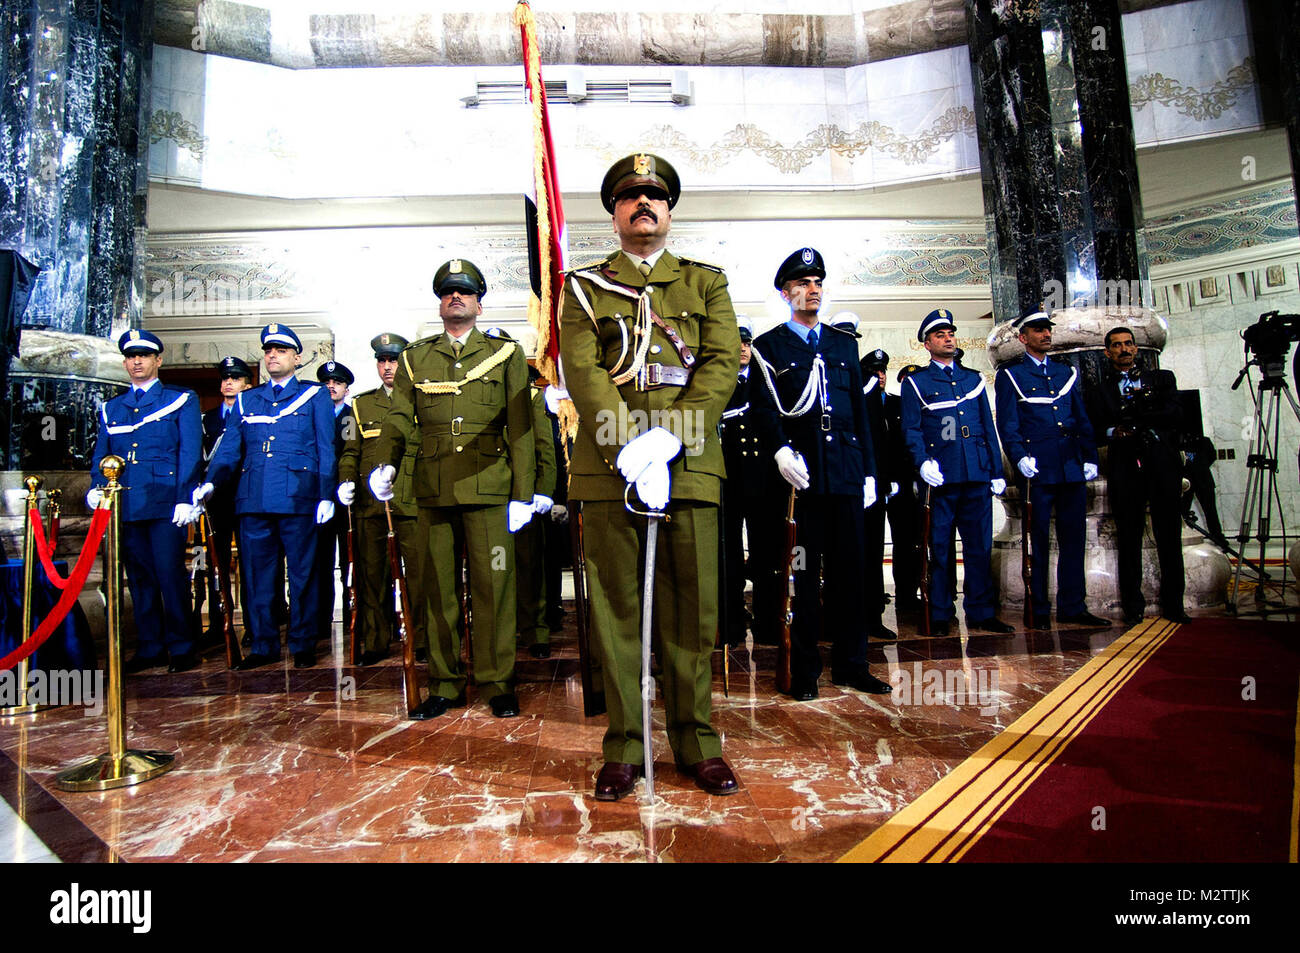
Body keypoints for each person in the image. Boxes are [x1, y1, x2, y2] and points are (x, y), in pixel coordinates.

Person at [559, 152, 740, 800]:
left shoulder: (706, 283)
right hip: (611, 470)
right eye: (631, 196)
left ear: (668, 211)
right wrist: (630, 450)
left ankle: (696, 742)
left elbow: (721, 365)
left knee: (694, 612)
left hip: (688, 467)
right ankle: (625, 746)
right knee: (615, 610)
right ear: (614, 213)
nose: (644, 205)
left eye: (655, 196)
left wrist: (673, 437)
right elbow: (582, 372)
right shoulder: (580, 289)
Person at [370, 260, 536, 719]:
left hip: (488, 492)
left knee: (494, 588)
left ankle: (497, 682)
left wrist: (524, 494)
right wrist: (384, 462)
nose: (455, 298)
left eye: (464, 292)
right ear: (439, 303)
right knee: (438, 591)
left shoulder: (505, 354)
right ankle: (444, 683)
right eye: (447, 292)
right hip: (434, 492)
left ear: (480, 303)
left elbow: (521, 427)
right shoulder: (414, 358)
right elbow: (400, 417)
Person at [751, 248, 890, 700]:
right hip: (802, 480)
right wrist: (779, 451)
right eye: (803, 284)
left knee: (854, 575)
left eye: (818, 283)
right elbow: (763, 411)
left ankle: (853, 665)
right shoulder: (768, 348)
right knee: (803, 576)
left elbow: (860, 414)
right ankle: (805, 668)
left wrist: (869, 471)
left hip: (846, 474)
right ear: (785, 292)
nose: (813, 290)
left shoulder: (842, 344)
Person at [195, 323, 337, 670]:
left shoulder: (314, 395)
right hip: (253, 498)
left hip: (299, 497)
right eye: (268, 351)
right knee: (258, 576)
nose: (273, 355)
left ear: (296, 357)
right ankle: (263, 644)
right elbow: (229, 449)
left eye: (281, 350)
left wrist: (325, 495)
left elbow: (325, 448)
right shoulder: (248, 398)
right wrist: (211, 482)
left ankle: (302, 642)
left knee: (302, 574)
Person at [88, 329, 203, 673]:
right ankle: (151, 646)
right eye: (130, 357)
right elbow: (102, 456)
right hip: (126, 504)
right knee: (139, 579)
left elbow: (189, 451)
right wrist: (97, 486)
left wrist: (186, 496)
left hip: (166, 503)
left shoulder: (181, 399)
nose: (136, 362)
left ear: (158, 360)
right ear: (125, 362)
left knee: (170, 575)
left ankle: (183, 646)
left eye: (143, 356)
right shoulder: (112, 408)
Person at [901, 309, 1012, 637]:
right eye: (940, 335)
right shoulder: (916, 383)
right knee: (941, 547)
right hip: (942, 477)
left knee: (979, 547)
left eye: (950, 333)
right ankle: (939, 611)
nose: (948, 338)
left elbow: (987, 428)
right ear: (927, 344)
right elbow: (912, 429)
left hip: (976, 473)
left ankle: (981, 611)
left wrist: (995, 468)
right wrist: (922, 462)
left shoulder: (973, 379)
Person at [994, 312, 1109, 629]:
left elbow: (1079, 417)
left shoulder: (1064, 372)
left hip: (1070, 464)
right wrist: (1018, 457)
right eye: (1038, 330)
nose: (1045, 334)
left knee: (1074, 539)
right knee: (1038, 541)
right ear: (1023, 337)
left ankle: (1074, 606)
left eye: (1047, 329)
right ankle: (1038, 608)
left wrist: (1088, 457)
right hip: (1038, 467)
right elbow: (1008, 424)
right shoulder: (1011, 376)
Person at [1085, 326, 1189, 624]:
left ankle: (1174, 604)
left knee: (1169, 535)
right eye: (1116, 345)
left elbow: (1175, 415)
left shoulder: (1162, 379)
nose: (1124, 349)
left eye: (1129, 344)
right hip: (1125, 467)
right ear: (1108, 352)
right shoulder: (1099, 391)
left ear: (1136, 349)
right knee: (1128, 539)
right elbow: (1094, 429)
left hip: (1162, 464)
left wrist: (1139, 417)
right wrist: (1113, 430)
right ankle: (1133, 606)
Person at [338, 334, 420, 665]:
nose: (388, 367)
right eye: (382, 361)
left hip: (412, 501)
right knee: (371, 577)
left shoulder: (420, 400)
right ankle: (375, 640)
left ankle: (422, 638)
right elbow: (350, 451)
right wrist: (345, 480)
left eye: (394, 360)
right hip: (370, 506)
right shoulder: (358, 405)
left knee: (418, 576)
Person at [483, 329, 557, 659]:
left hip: (523, 495)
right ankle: (502, 631)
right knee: (497, 567)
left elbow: (544, 448)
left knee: (530, 566)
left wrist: (543, 491)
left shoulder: (530, 398)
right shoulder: (481, 396)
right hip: (490, 494)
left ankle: (535, 631)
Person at [719, 315, 778, 645]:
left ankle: (768, 621)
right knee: (728, 558)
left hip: (764, 481)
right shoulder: (718, 381)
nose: (742, 348)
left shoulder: (766, 379)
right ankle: (731, 621)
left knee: (766, 555)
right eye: (737, 342)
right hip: (729, 481)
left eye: (747, 343)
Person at [199, 355, 253, 644]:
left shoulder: (250, 414)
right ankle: (221, 622)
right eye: (225, 378)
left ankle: (253, 623)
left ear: (247, 384)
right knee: (216, 562)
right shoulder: (207, 419)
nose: (229, 383)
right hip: (217, 498)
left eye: (236, 378)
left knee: (249, 562)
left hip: (244, 495)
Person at [858, 347, 900, 639]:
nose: (878, 377)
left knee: (873, 554)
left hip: (874, 487)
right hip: (845, 484)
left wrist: (886, 480)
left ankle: (872, 616)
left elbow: (883, 444)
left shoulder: (878, 399)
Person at [315, 361, 354, 644]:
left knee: (350, 562)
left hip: (347, 501)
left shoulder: (352, 418)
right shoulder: (312, 415)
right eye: (327, 383)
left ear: (346, 388)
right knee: (320, 562)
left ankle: (354, 617)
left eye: (337, 383)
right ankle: (320, 620)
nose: (331, 386)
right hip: (318, 498)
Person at [888, 363, 924, 610]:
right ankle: (906, 595)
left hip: (926, 482)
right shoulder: (893, 406)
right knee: (904, 542)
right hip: (900, 485)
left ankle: (936, 592)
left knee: (926, 541)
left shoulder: (925, 405)